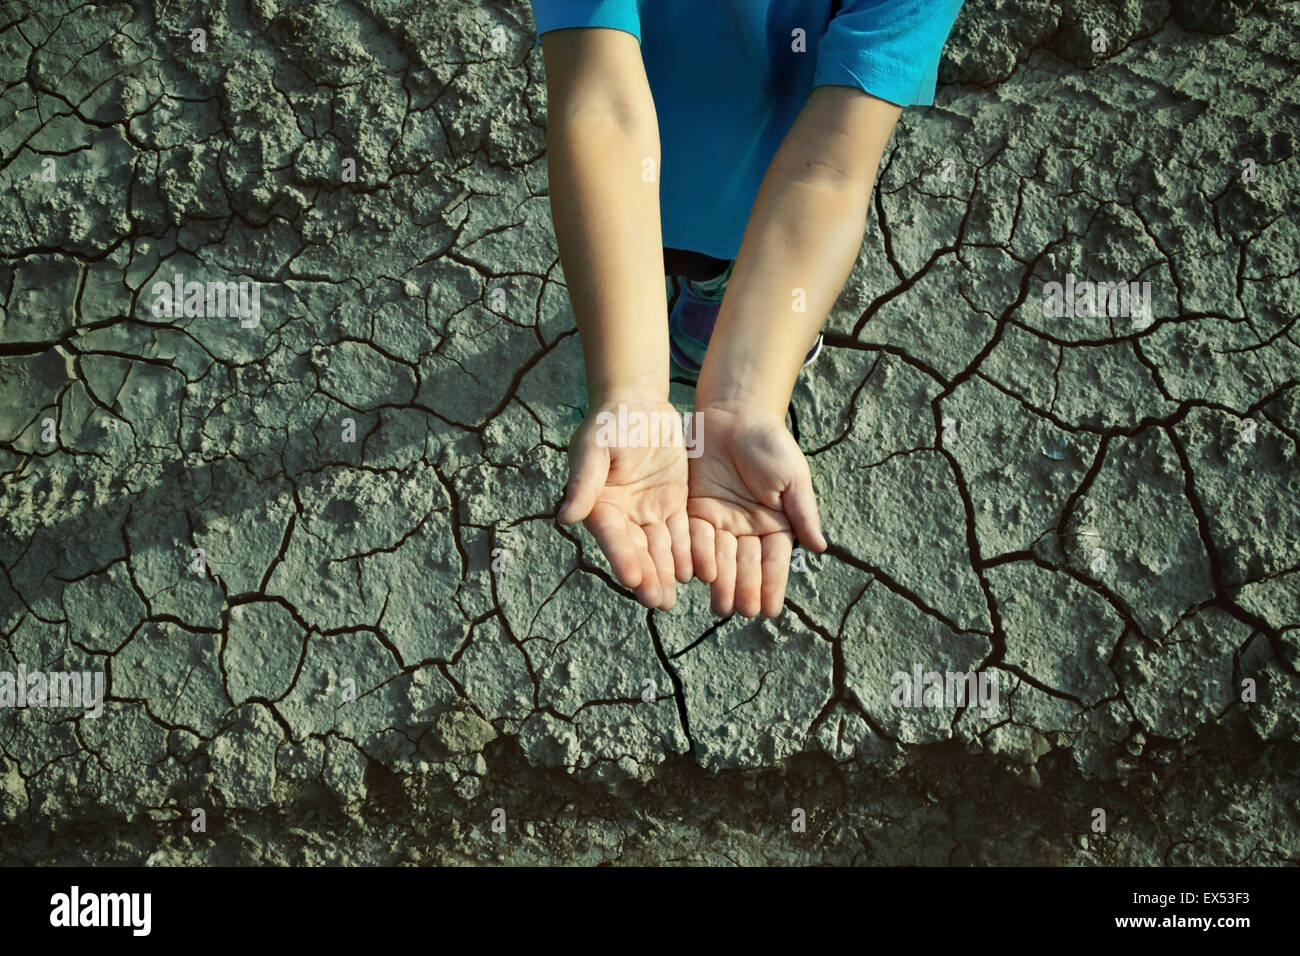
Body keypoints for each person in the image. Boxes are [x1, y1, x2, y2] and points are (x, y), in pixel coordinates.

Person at [532, 0, 965, 618]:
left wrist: (745, 398)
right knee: (671, 255)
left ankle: (714, 315)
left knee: (720, 263)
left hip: (769, 175)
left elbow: (830, 171)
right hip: (634, 178)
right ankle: (694, 311)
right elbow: (600, 103)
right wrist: (628, 386)